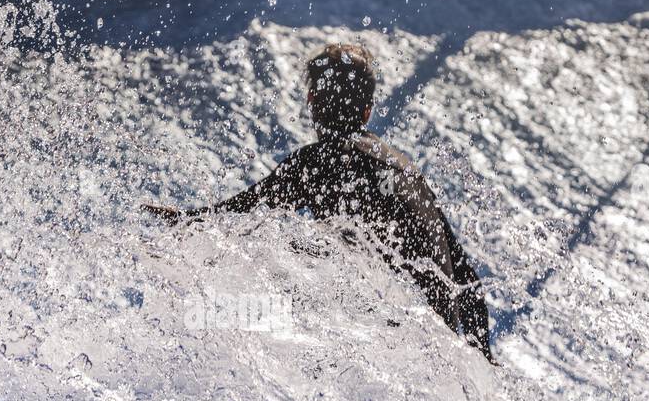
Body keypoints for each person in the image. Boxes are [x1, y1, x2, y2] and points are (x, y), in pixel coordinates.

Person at [144, 42, 494, 363]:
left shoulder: (320, 162)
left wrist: (179, 225)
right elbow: (468, 283)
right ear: (368, 111)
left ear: (312, 101)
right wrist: (483, 364)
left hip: (396, 349)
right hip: (438, 352)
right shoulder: (405, 170)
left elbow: (232, 221)